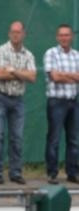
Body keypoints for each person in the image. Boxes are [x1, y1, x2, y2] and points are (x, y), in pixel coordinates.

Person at [0, 21, 37, 185]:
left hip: (17, 100)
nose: (15, 35)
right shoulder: (1, 51)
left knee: (17, 137)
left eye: (18, 32)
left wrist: (13, 70)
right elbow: (0, 74)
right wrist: (21, 74)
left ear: (23, 34)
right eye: (13, 32)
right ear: (9, 34)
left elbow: (32, 77)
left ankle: (15, 172)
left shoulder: (28, 55)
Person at [43, 24, 79, 184]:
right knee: (54, 139)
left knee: (74, 139)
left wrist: (63, 74)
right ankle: (52, 173)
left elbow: (60, 75)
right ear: (58, 37)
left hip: (73, 101)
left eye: (67, 35)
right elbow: (54, 78)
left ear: (72, 37)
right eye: (61, 35)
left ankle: (72, 173)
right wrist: (73, 76)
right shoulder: (51, 53)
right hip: (56, 102)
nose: (64, 38)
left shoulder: (77, 55)